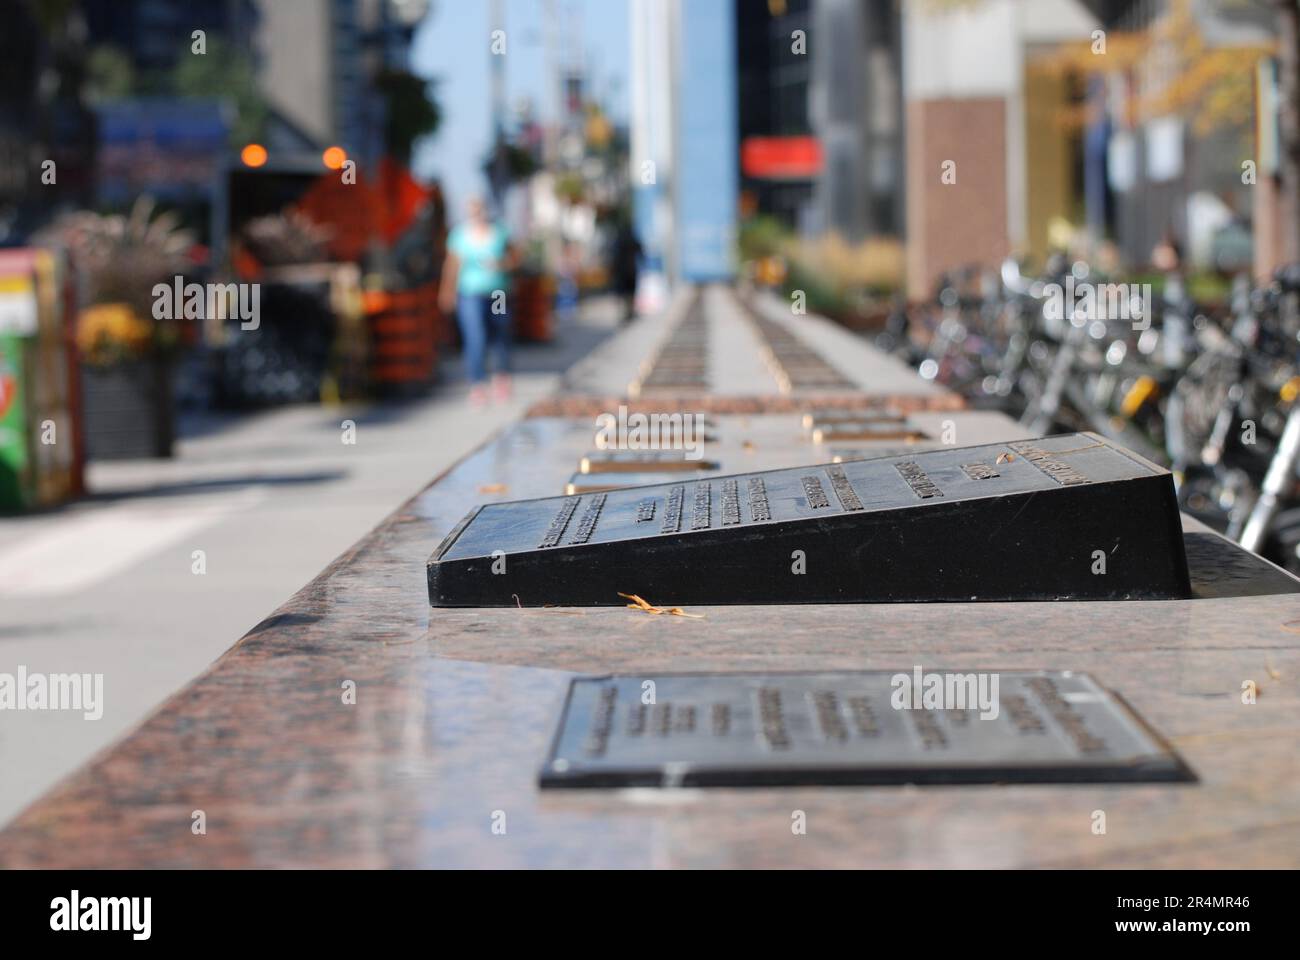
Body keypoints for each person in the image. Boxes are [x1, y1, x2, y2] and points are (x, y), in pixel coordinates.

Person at [439, 196, 516, 405]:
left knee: (500, 332)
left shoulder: (499, 231)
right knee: (475, 336)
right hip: (470, 292)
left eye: (479, 209)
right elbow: (452, 265)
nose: (476, 214)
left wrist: (500, 263)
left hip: (497, 292)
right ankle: (478, 383)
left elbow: (514, 257)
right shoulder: (459, 236)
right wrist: (447, 290)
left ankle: (501, 376)